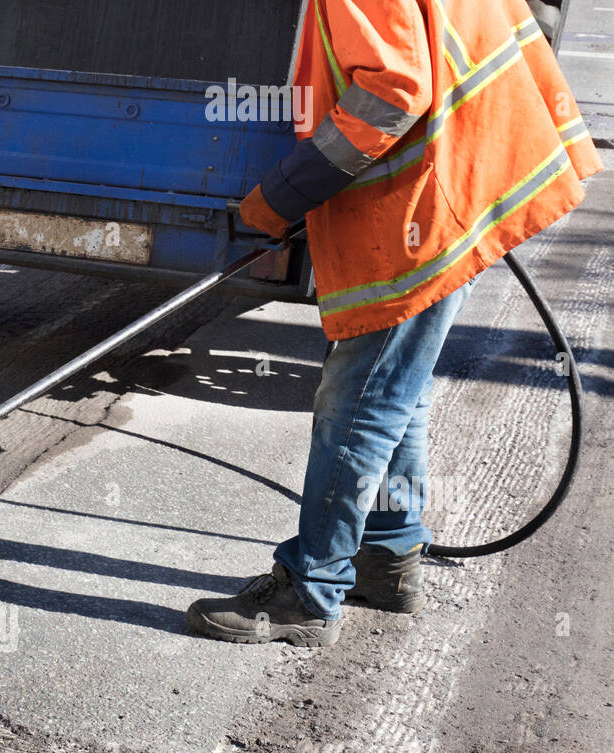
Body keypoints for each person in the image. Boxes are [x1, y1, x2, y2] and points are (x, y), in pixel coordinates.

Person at [186, 0, 601, 648]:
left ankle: (309, 591)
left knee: (360, 396)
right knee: (396, 388)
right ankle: (387, 552)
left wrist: (281, 196)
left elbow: (394, 89)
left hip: (426, 200)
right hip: (461, 168)